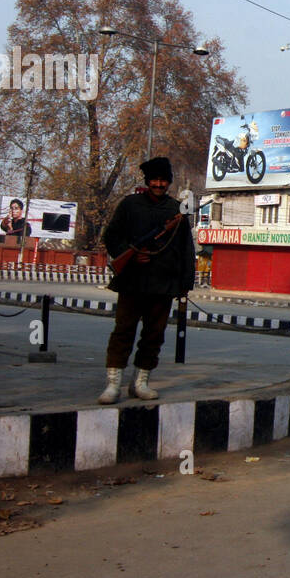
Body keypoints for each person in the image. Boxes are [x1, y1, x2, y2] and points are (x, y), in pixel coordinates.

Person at [97, 156, 195, 404]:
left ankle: (141, 383)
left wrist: (184, 284)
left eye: (163, 180)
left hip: (162, 285)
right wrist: (130, 254)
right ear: (147, 181)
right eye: (155, 179)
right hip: (132, 281)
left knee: (154, 335)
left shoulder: (176, 211)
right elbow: (111, 237)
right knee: (123, 331)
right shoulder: (130, 205)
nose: (159, 184)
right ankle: (113, 385)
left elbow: (185, 250)